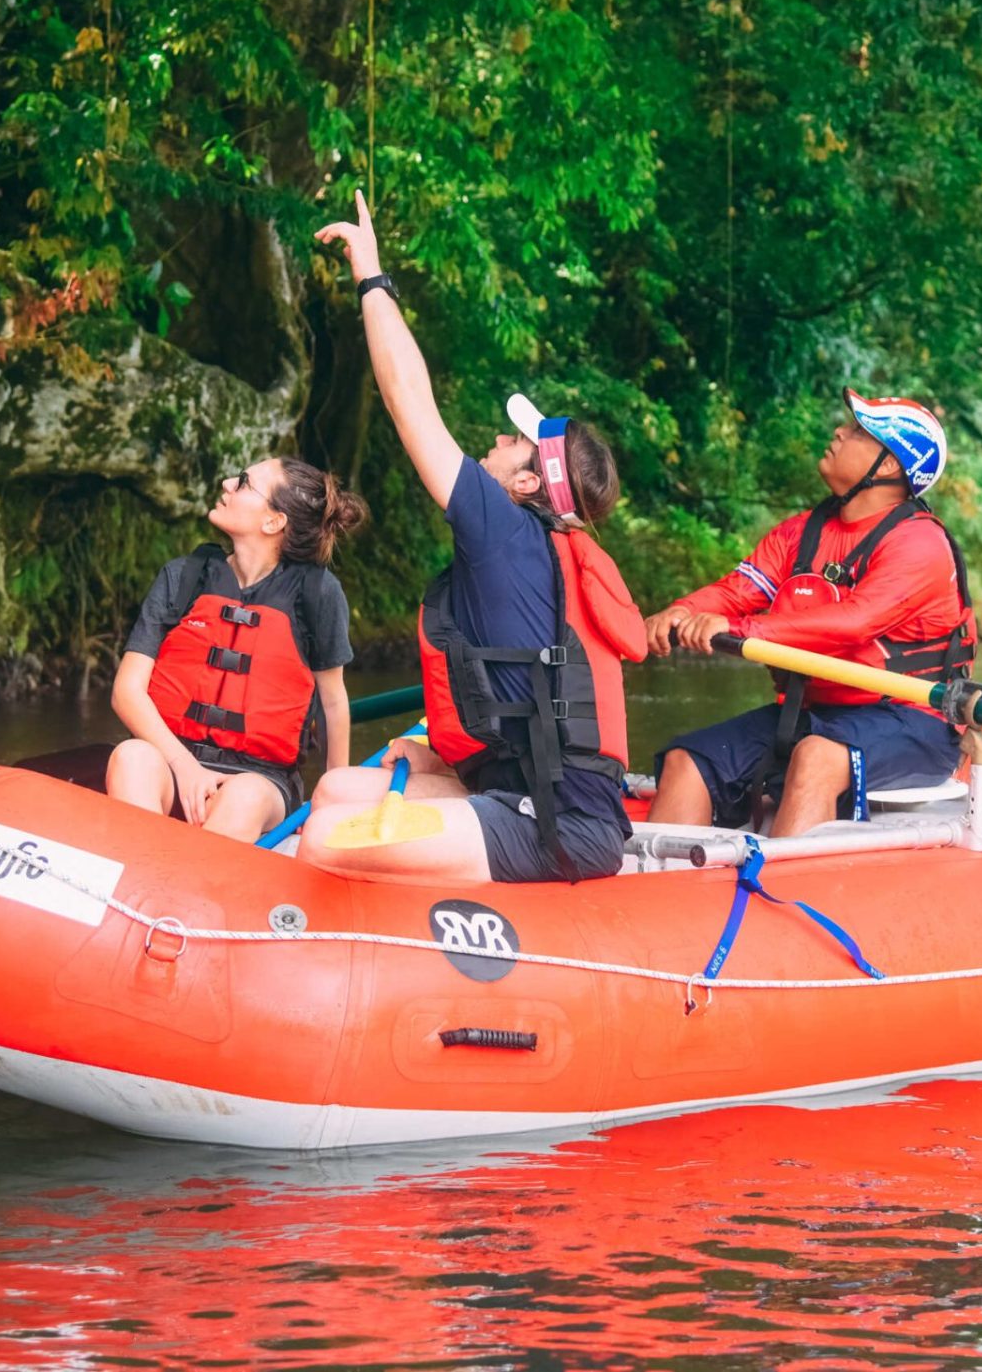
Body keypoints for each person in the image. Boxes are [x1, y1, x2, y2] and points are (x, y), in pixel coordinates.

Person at [304, 190, 648, 883]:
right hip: (518, 789)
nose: (496, 439)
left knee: (324, 839)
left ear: (526, 483)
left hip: (557, 824)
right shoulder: (535, 544)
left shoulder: (501, 525)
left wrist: (372, 278)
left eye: (513, 441)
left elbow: (408, 402)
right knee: (335, 791)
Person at [644, 390, 978, 836]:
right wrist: (681, 610)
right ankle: (662, 897)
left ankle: (784, 895)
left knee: (816, 755)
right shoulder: (799, 532)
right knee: (689, 759)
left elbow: (855, 621)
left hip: (913, 723)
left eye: (859, 431)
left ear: (892, 465)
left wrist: (740, 629)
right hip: (813, 715)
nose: (840, 432)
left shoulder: (919, 544)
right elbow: (737, 592)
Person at [107, 456, 368, 842]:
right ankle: (139, 876)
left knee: (243, 797)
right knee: (131, 757)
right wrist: (185, 767)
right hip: (170, 758)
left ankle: (194, 886)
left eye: (244, 482)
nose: (228, 483)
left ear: (273, 522)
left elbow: (332, 703)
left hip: (261, 779)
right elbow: (126, 691)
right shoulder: (184, 577)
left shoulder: (317, 593)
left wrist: (333, 802)